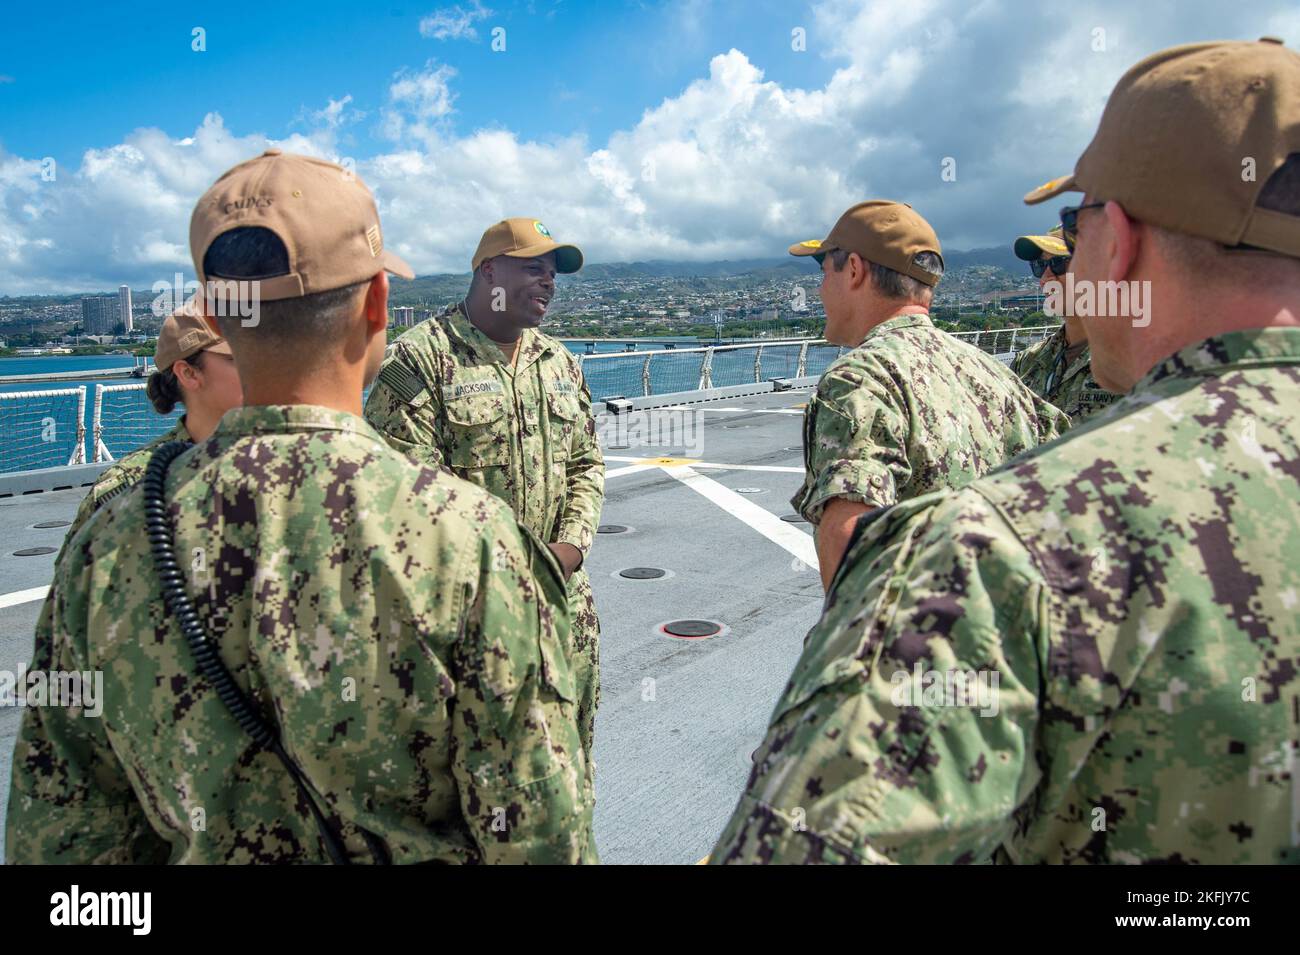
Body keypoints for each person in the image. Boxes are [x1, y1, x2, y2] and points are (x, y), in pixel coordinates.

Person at [711, 38, 1300, 864]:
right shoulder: (1001, 379)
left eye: (1076, 221)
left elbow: (850, 559)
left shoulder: (981, 538)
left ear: (1119, 240)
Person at [6, 150, 595, 864]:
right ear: (377, 305)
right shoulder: (468, 541)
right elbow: (537, 838)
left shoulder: (108, 544)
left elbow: (64, 847)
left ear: (222, 312)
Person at [364, 217, 605, 771]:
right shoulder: (420, 359)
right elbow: (408, 493)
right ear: (489, 270)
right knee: (480, 772)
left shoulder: (560, 364)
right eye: (534, 269)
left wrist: (568, 549)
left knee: (569, 760)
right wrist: (504, 574)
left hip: (564, 600)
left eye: (552, 274)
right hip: (469, 617)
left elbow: (587, 464)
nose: (548, 283)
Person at [789, 200, 1067, 588]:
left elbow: (851, 539)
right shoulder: (997, 375)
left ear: (854, 269)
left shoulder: (860, 379)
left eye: (823, 270)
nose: (819, 289)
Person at [66, 298, 242, 540]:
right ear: (189, 373)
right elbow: (80, 574)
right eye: (240, 357)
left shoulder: (293, 457)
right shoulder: (130, 486)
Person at [1009, 226, 1116, 424]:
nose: (1045, 278)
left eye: (1059, 263)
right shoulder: (1028, 362)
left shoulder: (1137, 363)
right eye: (1040, 265)